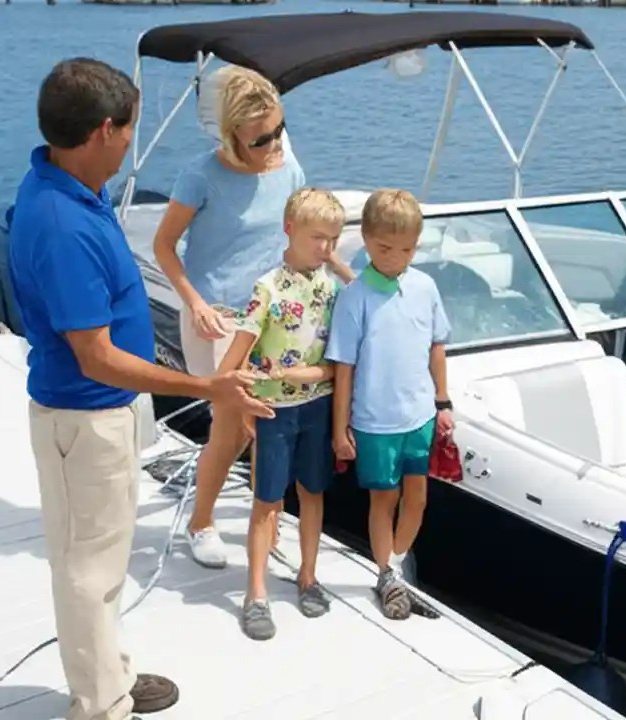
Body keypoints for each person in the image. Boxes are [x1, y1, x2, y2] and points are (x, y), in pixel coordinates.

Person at [8, 57, 274, 720]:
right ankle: (102, 706)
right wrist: (207, 385)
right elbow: (95, 357)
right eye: (129, 131)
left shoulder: (73, 189)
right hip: (84, 419)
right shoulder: (61, 224)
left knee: (104, 564)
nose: (132, 143)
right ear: (103, 131)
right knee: (88, 575)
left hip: (105, 416)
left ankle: (113, 676)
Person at [152, 64, 348, 569]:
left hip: (277, 315)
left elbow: (304, 235)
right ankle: (201, 522)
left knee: (275, 417)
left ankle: (268, 515)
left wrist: (353, 283)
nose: (274, 144)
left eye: (279, 130)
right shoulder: (200, 176)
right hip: (215, 316)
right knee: (236, 425)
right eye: (261, 139)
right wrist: (193, 303)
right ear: (231, 133)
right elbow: (164, 246)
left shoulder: (288, 167)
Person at [215, 187, 347, 639]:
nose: (325, 248)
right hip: (277, 409)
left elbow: (340, 355)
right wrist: (242, 399)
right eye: (317, 238)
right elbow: (236, 356)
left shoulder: (331, 289)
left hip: (318, 406)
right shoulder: (267, 288)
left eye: (333, 239)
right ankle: (255, 592)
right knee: (266, 501)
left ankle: (308, 576)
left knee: (313, 492)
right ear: (289, 229)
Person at [325, 189, 454, 621]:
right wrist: (340, 430)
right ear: (365, 240)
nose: (396, 257)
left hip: (419, 415)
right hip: (374, 422)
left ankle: (395, 564)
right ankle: (386, 571)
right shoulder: (355, 297)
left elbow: (437, 347)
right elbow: (343, 367)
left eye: (407, 249)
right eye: (385, 248)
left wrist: (444, 402)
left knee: (416, 499)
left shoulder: (425, 286)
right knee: (385, 498)